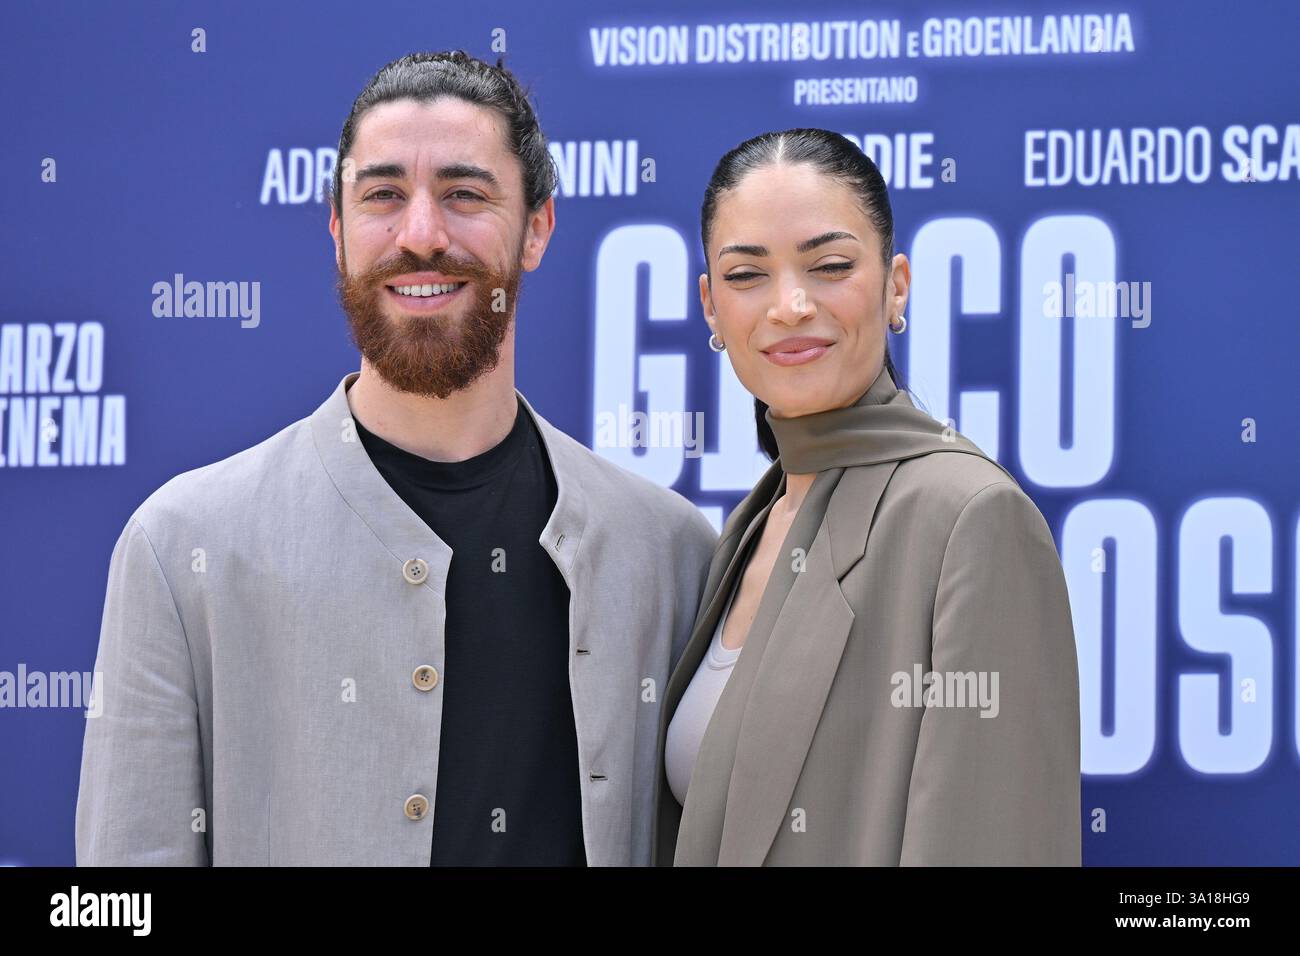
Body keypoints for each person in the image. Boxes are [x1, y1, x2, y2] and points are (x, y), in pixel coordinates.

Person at [75, 51, 716, 867]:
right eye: (382, 196)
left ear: (539, 229)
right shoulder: (181, 547)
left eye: (464, 195)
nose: (421, 235)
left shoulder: (667, 550)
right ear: (339, 233)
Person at [651, 128, 1081, 866]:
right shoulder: (746, 531)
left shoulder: (968, 518)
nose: (789, 306)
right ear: (711, 307)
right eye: (747, 274)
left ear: (897, 284)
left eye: (830, 266)